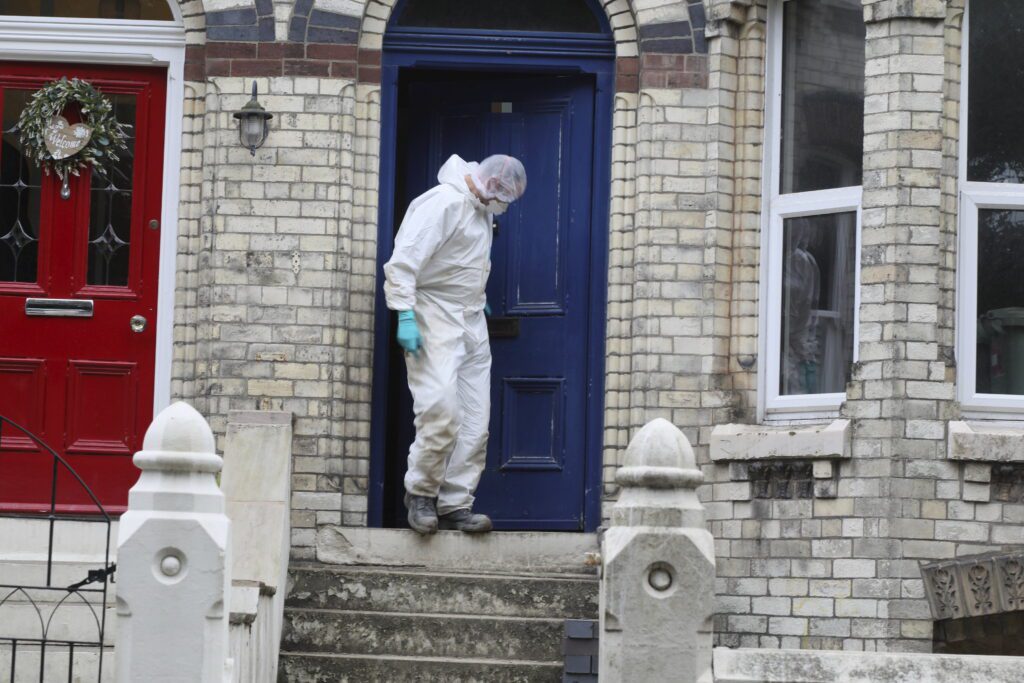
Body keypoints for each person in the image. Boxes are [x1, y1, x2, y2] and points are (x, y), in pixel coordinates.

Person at [384, 153, 527, 535]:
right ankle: (421, 493)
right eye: (505, 199)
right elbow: (403, 263)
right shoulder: (443, 203)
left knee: (476, 422)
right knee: (441, 408)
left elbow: (464, 261)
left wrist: (476, 293)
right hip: (433, 316)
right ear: (493, 188)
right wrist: (405, 315)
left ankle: (454, 503)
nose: (504, 208)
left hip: (471, 319)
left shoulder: (481, 209)